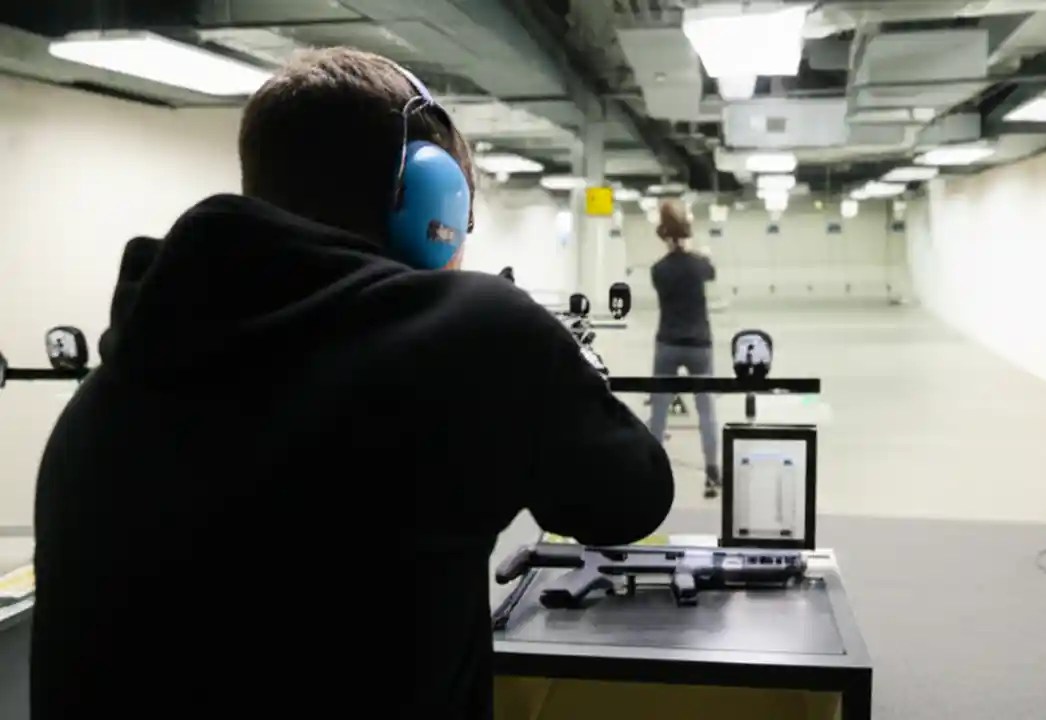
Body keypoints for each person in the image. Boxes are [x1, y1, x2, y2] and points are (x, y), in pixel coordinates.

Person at [31, 48, 673, 720]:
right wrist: (556, 362)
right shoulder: (482, 334)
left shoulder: (119, 374)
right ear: (432, 205)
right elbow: (632, 497)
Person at [647, 200, 721, 498]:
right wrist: (696, 249)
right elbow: (710, 271)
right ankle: (712, 473)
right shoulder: (699, 265)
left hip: (668, 342)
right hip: (699, 344)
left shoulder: (658, 270)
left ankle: (651, 473)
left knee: (659, 412)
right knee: (706, 411)